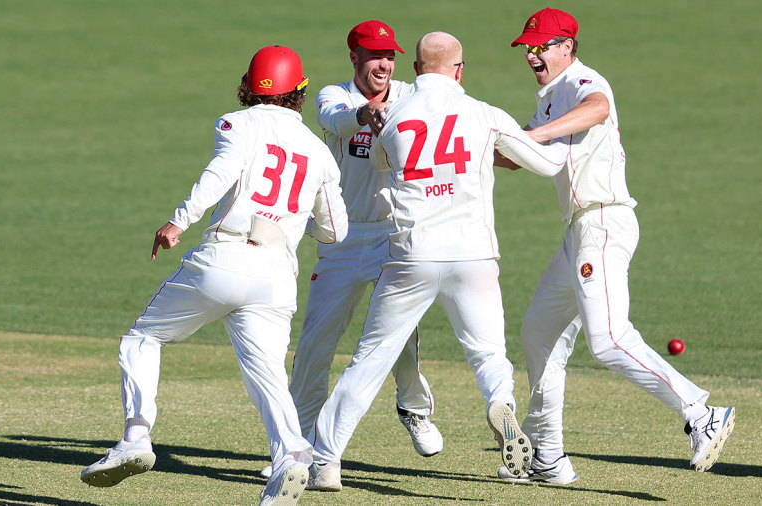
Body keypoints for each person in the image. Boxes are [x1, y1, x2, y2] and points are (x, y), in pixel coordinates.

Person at [79, 45, 348, 506]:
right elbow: (335, 231)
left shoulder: (237, 123)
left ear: (249, 86)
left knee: (142, 339)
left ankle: (136, 439)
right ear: (299, 94)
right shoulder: (319, 152)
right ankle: (291, 457)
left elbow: (220, 171)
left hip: (224, 258)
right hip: (276, 275)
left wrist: (179, 221)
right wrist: (289, 214)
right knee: (267, 374)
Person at [305, 31, 570, 492]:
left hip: (412, 254)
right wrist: (576, 135)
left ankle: (326, 461)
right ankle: (499, 401)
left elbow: (385, 166)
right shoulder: (484, 113)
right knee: (489, 353)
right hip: (474, 255)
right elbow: (546, 165)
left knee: (369, 359)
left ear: (415, 69)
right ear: (459, 70)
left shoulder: (395, 116)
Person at [495, 8, 735, 484]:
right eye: (528, 46)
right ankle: (549, 456)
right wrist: (476, 149)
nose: (533, 54)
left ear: (567, 45)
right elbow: (525, 157)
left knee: (607, 340)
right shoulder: (548, 97)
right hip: (577, 233)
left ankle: (701, 412)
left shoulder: (582, 81)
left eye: (542, 45)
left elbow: (600, 107)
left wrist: (533, 134)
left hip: (603, 222)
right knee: (539, 333)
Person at [286, 19, 442, 461]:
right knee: (316, 343)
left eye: (390, 56)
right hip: (341, 236)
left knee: (398, 335)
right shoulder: (334, 96)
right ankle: (295, 448)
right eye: (375, 55)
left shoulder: (414, 95)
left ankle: (413, 408)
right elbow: (333, 120)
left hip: (394, 234)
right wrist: (363, 115)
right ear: (354, 56)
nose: (384, 64)